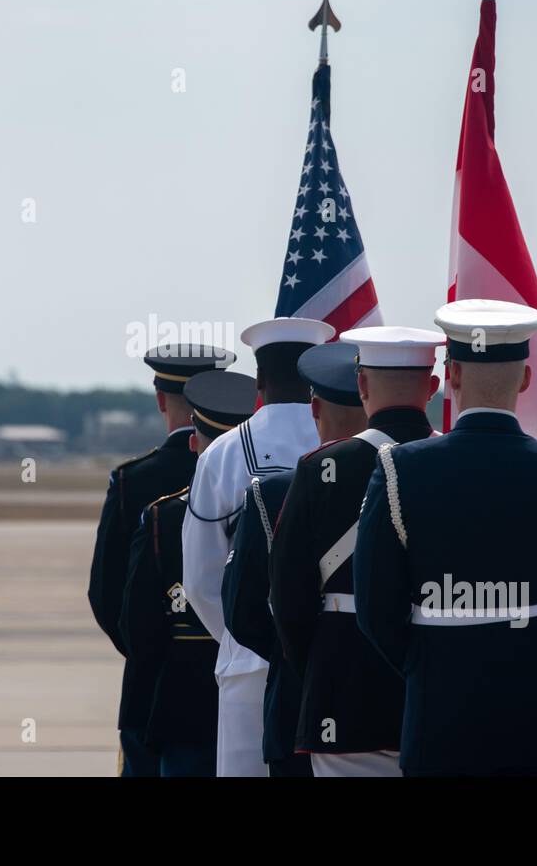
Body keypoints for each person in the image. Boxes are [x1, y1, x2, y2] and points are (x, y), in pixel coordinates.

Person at [353, 299, 537, 777]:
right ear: (524, 378)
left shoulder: (400, 469)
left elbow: (375, 607)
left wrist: (428, 666)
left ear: (452, 375)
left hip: (440, 725)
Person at [269, 326, 443, 776]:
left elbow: (288, 600)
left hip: (345, 697)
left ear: (361, 385)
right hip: (444, 696)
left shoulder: (319, 468)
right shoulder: (458, 464)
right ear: (433, 387)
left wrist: (323, 669)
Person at [182, 317, 331, 777]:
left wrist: (241, 638)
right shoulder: (347, 443)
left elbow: (202, 580)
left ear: (259, 381)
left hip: (249, 665)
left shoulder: (220, 454)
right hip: (336, 660)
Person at [88, 342, 235, 776]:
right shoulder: (250, 472)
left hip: (156, 689)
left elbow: (106, 592)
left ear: (159, 400)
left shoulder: (133, 480)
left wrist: (151, 654)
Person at [223, 341, 369, 776]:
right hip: (393, 710)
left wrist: (302, 656)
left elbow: (243, 611)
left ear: (315, 409)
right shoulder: (416, 480)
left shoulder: (273, 493)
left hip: (301, 709)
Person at [119, 370, 258, 776]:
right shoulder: (280, 504)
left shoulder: (164, 516)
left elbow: (137, 625)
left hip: (183, 696)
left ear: (195, 443)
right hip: (260, 685)